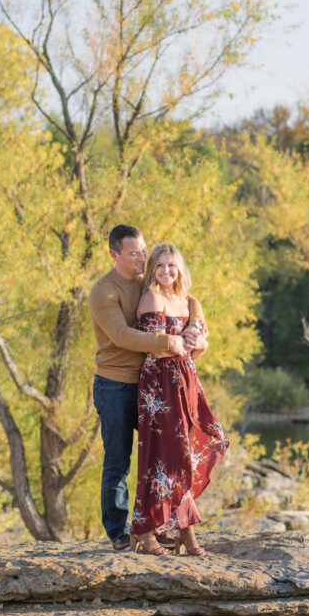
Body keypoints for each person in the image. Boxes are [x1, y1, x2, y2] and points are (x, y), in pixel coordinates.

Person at [88, 225, 207, 551]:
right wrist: (170, 341)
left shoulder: (147, 281)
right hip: (115, 384)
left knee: (166, 455)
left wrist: (197, 327)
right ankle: (120, 533)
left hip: (152, 386)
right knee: (118, 461)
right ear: (114, 255)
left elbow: (183, 296)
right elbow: (121, 336)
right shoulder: (104, 291)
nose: (142, 257)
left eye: (143, 251)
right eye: (134, 253)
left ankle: (158, 524)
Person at [130, 243, 228, 556]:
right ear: (152, 269)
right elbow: (156, 348)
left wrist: (196, 344)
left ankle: (183, 529)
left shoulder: (187, 301)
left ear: (180, 268)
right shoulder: (151, 297)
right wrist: (186, 342)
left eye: (171, 265)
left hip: (186, 381)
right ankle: (146, 530)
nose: (166, 271)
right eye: (160, 265)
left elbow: (194, 351)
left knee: (186, 455)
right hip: (159, 386)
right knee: (160, 458)